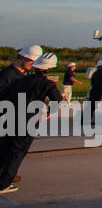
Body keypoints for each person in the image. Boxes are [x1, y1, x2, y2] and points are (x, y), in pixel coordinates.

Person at [0, 52, 61, 193]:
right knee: (17, 152)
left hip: (11, 117)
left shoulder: (20, 80)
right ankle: (3, 184)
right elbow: (57, 101)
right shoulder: (47, 84)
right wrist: (48, 112)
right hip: (29, 121)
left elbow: (5, 95)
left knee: (4, 148)